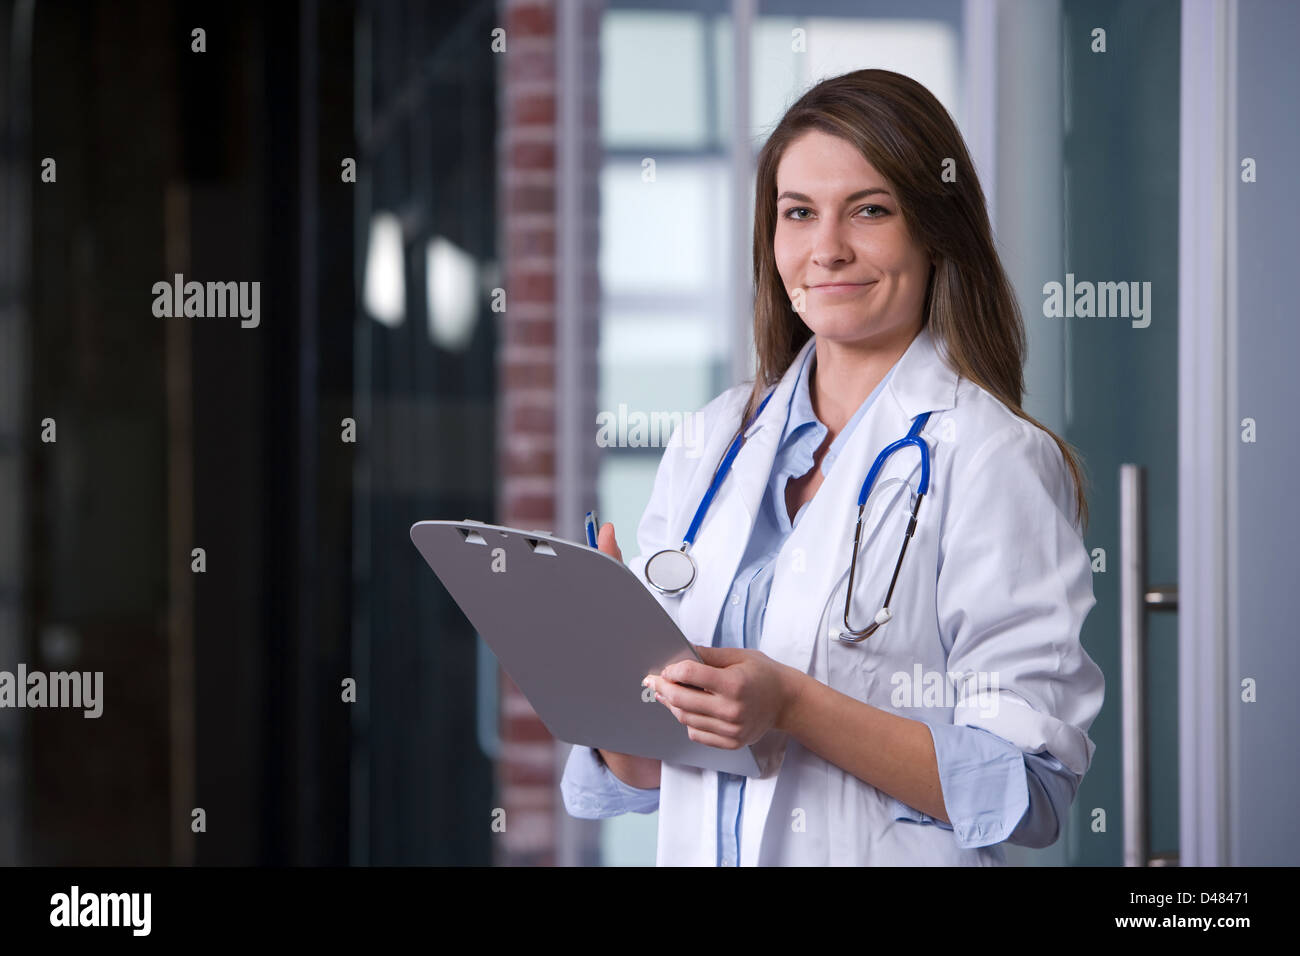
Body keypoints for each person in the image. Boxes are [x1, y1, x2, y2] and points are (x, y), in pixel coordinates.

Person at [561, 68, 1104, 866]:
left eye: (871, 211)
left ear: (934, 230)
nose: (827, 250)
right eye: (798, 214)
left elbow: (1026, 785)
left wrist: (792, 704)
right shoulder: (713, 441)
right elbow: (650, 771)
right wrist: (612, 666)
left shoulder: (992, 458)